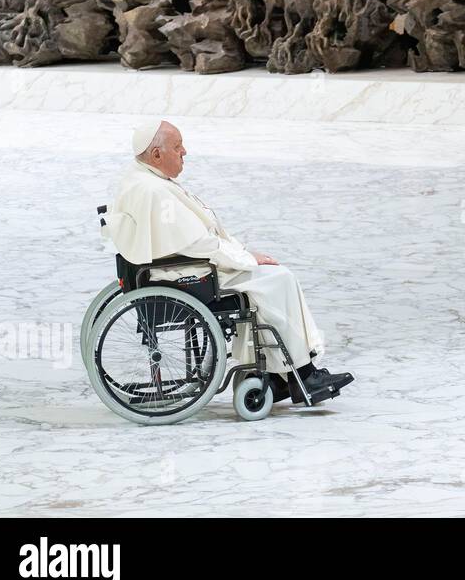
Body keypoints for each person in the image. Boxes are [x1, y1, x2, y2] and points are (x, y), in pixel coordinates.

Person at [103, 120, 354, 405]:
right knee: (278, 279)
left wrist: (242, 252)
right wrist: (244, 257)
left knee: (272, 277)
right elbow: (197, 243)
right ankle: (302, 375)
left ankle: (283, 375)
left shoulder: (141, 177)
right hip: (188, 275)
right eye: (177, 147)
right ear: (157, 154)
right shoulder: (153, 191)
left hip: (179, 269)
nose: (184, 151)